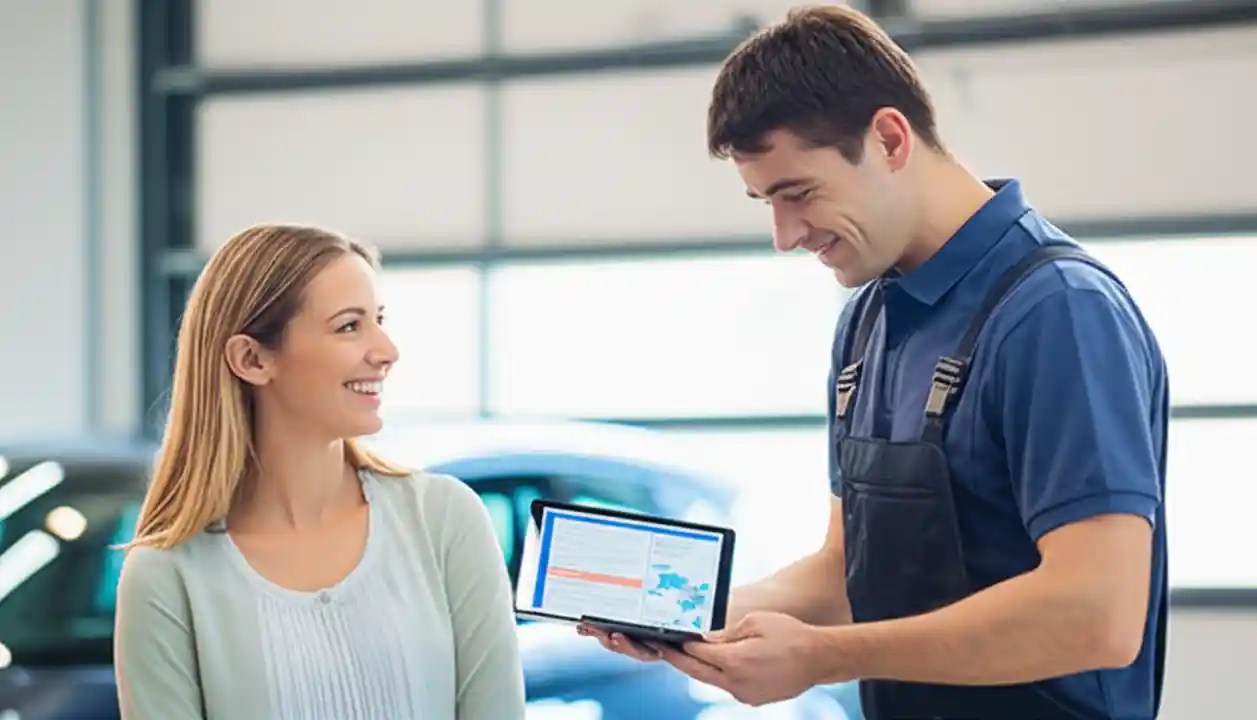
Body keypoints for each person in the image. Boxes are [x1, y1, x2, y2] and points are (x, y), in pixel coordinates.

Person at [582, 6, 1168, 719]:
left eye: (798, 193)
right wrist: (695, 619)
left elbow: (1097, 614)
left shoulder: (1058, 312)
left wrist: (822, 657)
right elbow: (844, 572)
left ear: (890, 139)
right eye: (766, 202)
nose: (784, 235)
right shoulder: (867, 320)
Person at [113, 224, 525, 719]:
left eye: (379, 318)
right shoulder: (167, 574)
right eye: (349, 326)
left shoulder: (442, 519)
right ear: (252, 358)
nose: (387, 351)